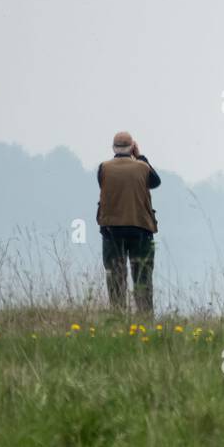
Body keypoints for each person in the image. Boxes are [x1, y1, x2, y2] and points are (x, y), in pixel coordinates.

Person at [96, 131, 161, 313]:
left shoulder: (104, 168)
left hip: (111, 229)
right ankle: (145, 315)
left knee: (115, 275)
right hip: (140, 228)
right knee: (142, 275)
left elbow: (103, 184)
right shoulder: (142, 167)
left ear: (113, 148)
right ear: (132, 147)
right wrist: (140, 156)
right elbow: (155, 182)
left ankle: (117, 314)